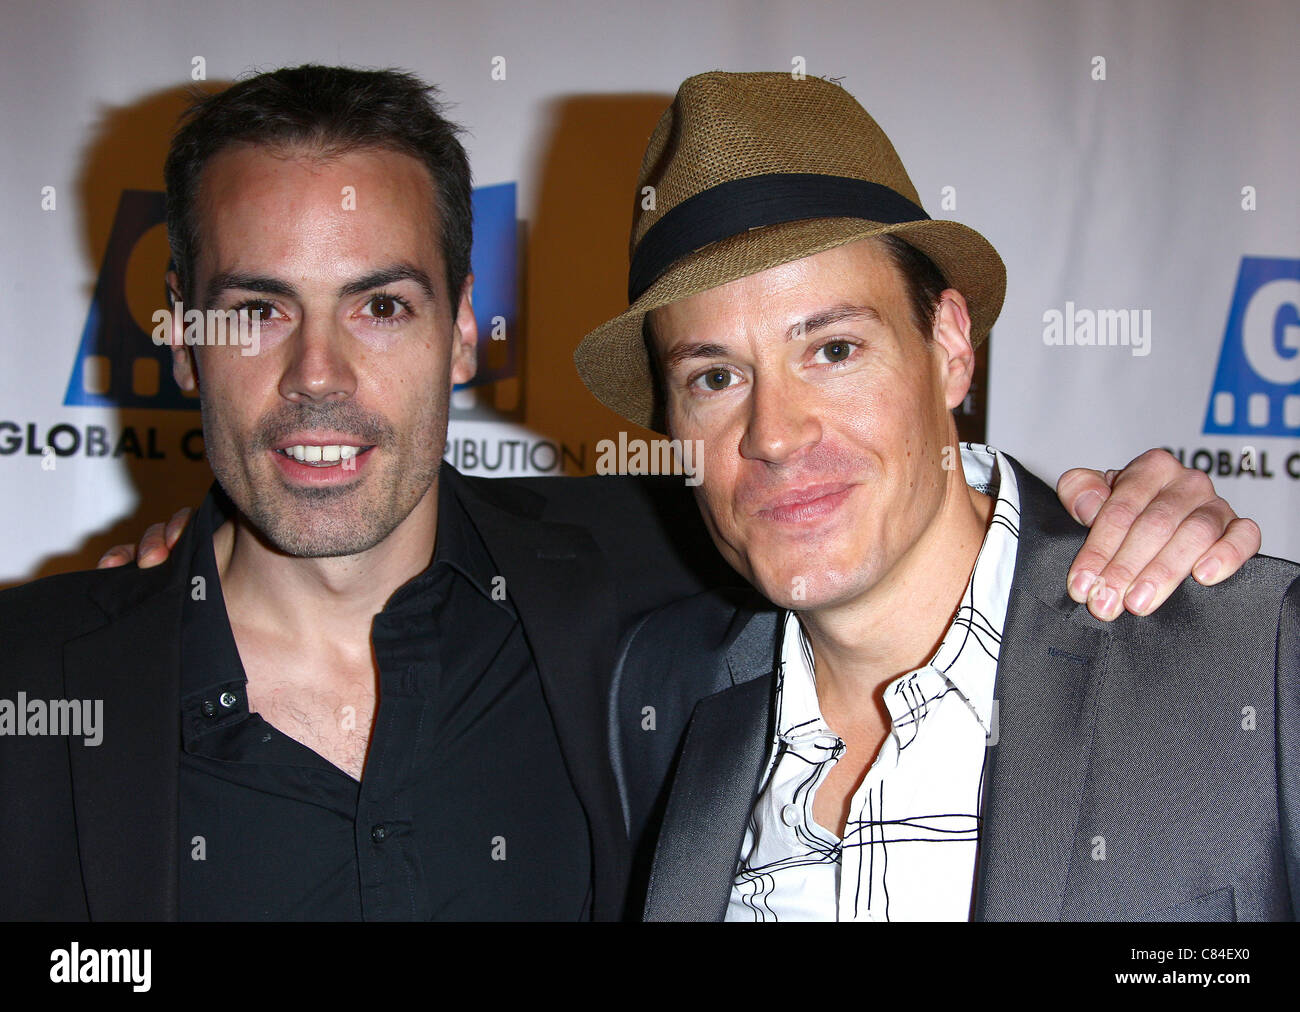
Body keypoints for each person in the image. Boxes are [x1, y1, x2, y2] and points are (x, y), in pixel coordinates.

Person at [14, 65, 1254, 922]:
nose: (317, 378)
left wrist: (1126, 526)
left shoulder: (647, 609)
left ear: (462, 336)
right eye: (256, 310)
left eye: (381, 304)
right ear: (179, 341)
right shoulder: (40, 682)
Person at [582, 71, 1300, 921]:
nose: (773, 434)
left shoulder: (1261, 656)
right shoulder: (657, 693)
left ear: (951, 348)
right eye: (714, 375)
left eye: (835, 350)